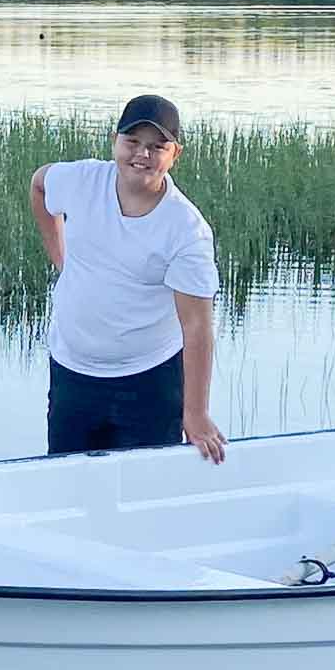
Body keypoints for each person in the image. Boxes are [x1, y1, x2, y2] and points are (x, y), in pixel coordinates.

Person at [29, 94, 227, 463]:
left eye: (157, 146)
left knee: (144, 497)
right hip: (72, 373)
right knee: (65, 488)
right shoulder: (81, 180)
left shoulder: (186, 230)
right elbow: (39, 186)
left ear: (175, 154)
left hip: (148, 382)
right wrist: (62, 260)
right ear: (114, 141)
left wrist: (195, 413)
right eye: (132, 142)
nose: (142, 154)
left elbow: (198, 328)